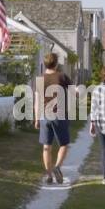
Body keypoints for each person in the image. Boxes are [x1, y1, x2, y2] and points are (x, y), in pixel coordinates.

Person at [34, 53, 72, 184]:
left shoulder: (40, 79)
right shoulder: (62, 76)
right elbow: (73, 92)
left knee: (46, 146)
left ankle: (49, 175)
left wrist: (37, 118)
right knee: (64, 144)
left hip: (44, 115)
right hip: (59, 114)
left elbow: (37, 101)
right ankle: (57, 167)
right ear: (56, 63)